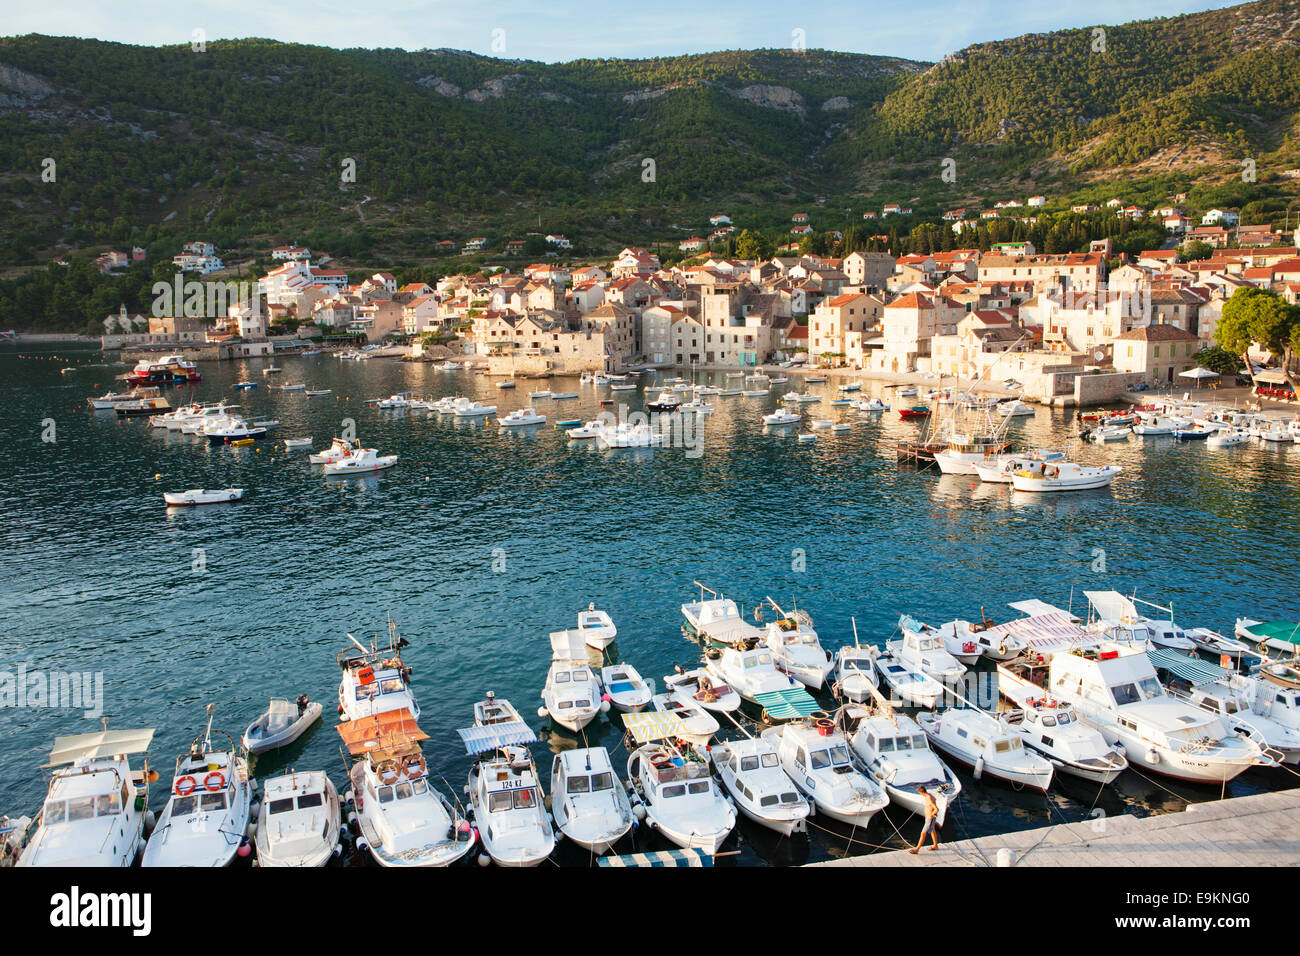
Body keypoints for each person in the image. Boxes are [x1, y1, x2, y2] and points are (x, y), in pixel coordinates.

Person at [909, 785, 940, 854]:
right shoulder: (929, 795)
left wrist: (932, 814)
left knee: (923, 833)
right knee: (932, 830)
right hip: (929, 818)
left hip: (930, 818)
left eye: (920, 793)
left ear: (921, 792)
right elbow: (935, 799)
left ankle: (917, 849)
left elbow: (936, 809)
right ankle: (935, 845)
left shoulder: (928, 798)